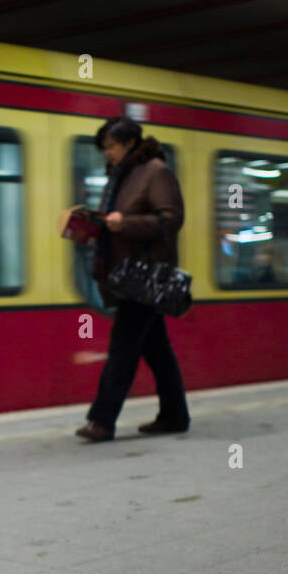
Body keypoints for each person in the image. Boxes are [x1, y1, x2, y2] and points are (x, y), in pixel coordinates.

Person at [77, 117, 190, 442]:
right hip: (125, 274)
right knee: (157, 350)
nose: (107, 154)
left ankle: (101, 421)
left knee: (122, 350)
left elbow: (171, 219)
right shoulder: (122, 176)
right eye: (104, 149)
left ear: (129, 143)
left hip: (143, 276)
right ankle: (175, 415)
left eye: (111, 147)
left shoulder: (156, 171)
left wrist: (123, 223)